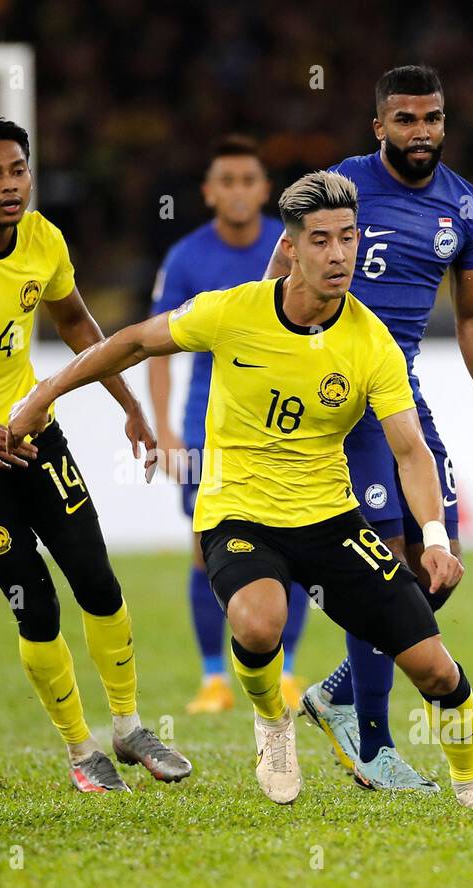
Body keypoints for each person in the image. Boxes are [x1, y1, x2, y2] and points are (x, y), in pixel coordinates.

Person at [10, 170, 473, 810]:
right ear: (291, 247)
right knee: (260, 624)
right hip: (239, 514)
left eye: (347, 238)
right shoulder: (234, 312)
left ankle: (472, 781)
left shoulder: (370, 341)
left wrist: (435, 536)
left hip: (331, 520)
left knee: (434, 668)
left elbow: (410, 450)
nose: (338, 255)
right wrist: (43, 395)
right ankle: (274, 722)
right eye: (320, 241)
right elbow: (134, 342)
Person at [0, 118, 191, 794]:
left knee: (97, 579)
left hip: (33, 435)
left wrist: (129, 404)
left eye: (18, 170)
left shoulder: (44, 238)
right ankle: (82, 750)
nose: (10, 184)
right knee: (36, 603)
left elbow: (77, 323)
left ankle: (129, 726)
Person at [265, 65, 473, 792]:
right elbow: (272, 290)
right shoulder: (341, 190)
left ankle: (339, 693)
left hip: (397, 395)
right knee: (379, 559)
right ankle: (373, 746)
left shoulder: (464, 208)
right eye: (406, 120)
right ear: (378, 126)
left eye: (433, 119)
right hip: (331, 396)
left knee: (434, 564)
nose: (422, 133)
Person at [148, 135, 310, 715]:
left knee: (295, 547)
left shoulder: (293, 246)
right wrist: (165, 430)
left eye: (249, 180)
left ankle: (286, 672)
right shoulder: (187, 258)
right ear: (210, 192)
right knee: (203, 550)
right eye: (228, 181)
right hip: (206, 432)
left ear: (266, 190)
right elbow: (160, 347)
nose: (239, 191)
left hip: (285, 428)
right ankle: (214, 678)